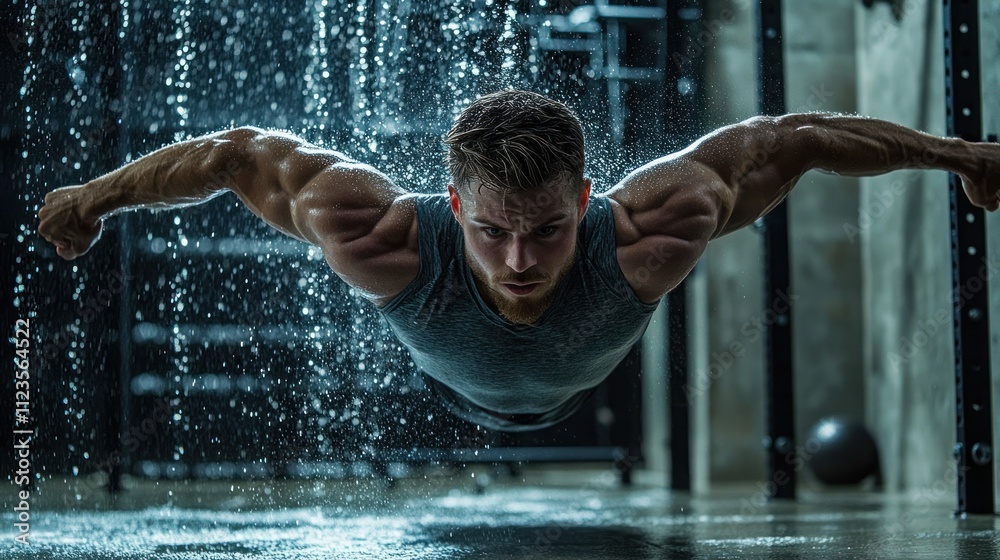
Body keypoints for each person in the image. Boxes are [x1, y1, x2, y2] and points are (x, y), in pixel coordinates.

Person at [37, 89, 1000, 431]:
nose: (519, 257)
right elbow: (233, 153)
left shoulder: (658, 228)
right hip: (452, 393)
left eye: (547, 228)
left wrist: (963, 157)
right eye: (492, 230)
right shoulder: (379, 237)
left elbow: (795, 137)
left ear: (587, 198)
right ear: (453, 205)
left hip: (578, 392)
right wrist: (91, 200)